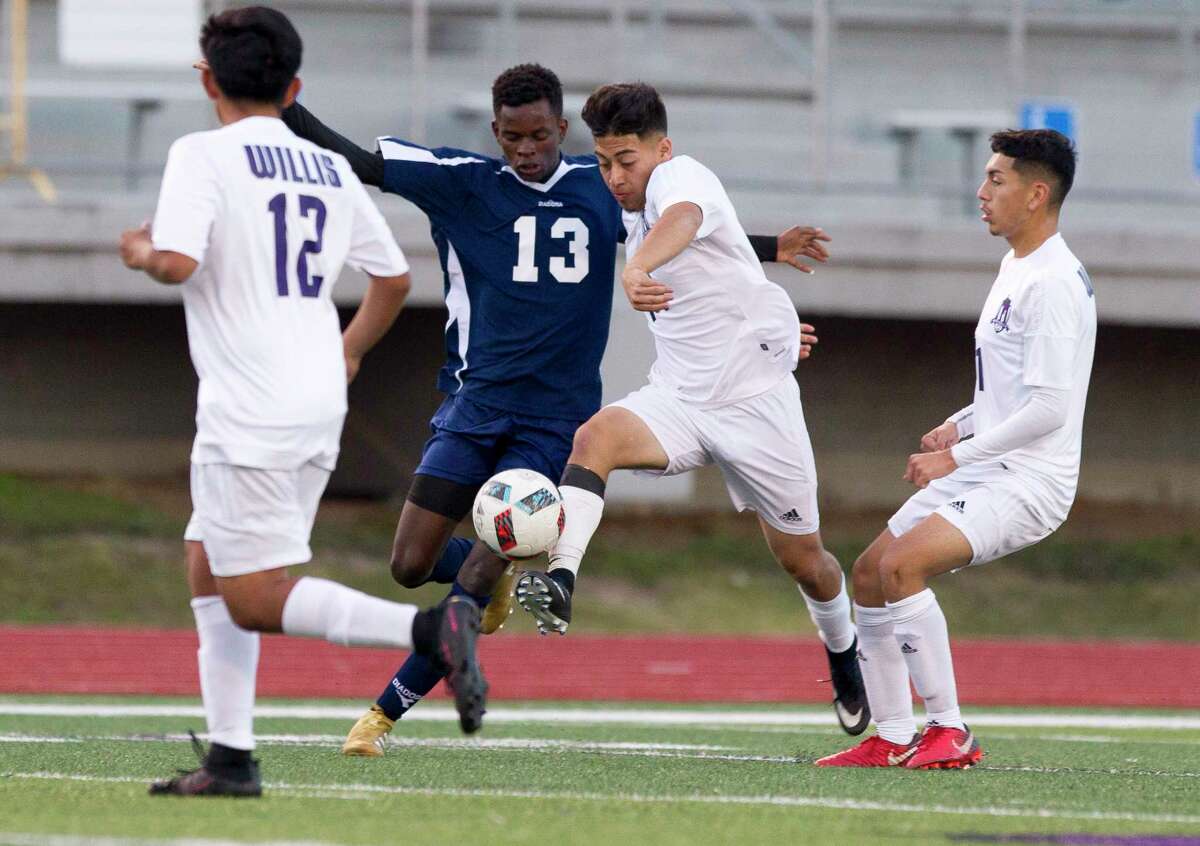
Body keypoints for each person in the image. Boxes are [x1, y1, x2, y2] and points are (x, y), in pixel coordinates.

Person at [278, 65, 834, 754]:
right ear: (496, 133)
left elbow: (685, 243)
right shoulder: (462, 182)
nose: (527, 150)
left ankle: (381, 715)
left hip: (552, 423)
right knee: (410, 564)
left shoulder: (599, 188)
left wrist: (768, 252)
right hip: (472, 405)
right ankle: (508, 569)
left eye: (540, 135)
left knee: (481, 567)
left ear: (561, 130)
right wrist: (275, 106)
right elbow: (361, 162)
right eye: (513, 137)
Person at [118, 6, 487, 796]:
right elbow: (391, 277)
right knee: (208, 563)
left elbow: (178, 262)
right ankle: (230, 756)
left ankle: (431, 627)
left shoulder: (202, 152)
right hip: (314, 395)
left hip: (248, 403)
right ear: (294, 88)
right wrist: (348, 351)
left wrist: (143, 251)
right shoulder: (323, 166)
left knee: (254, 597)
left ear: (207, 79)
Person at [514, 82, 870, 735]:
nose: (615, 176)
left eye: (627, 160)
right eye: (603, 162)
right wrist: (767, 246)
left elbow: (683, 221)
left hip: (756, 405)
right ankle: (560, 579)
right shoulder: (629, 195)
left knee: (806, 564)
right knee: (594, 439)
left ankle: (844, 649)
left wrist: (635, 269)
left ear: (663, 149)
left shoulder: (682, 174)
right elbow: (710, 241)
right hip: (677, 397)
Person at [816, 129, 1094, 769]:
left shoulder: (1051, 283)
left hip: (1030, 480)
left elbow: (1050, 409)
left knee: (903, 568)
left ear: (1037, 194)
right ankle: (890, 736)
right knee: (869, 573)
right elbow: (1013, 391)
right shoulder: (1017, 266)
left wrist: (955, 457)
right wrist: (958, 424)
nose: (982, 191)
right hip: (991, 462)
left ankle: (950, 731)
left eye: (997, 179)